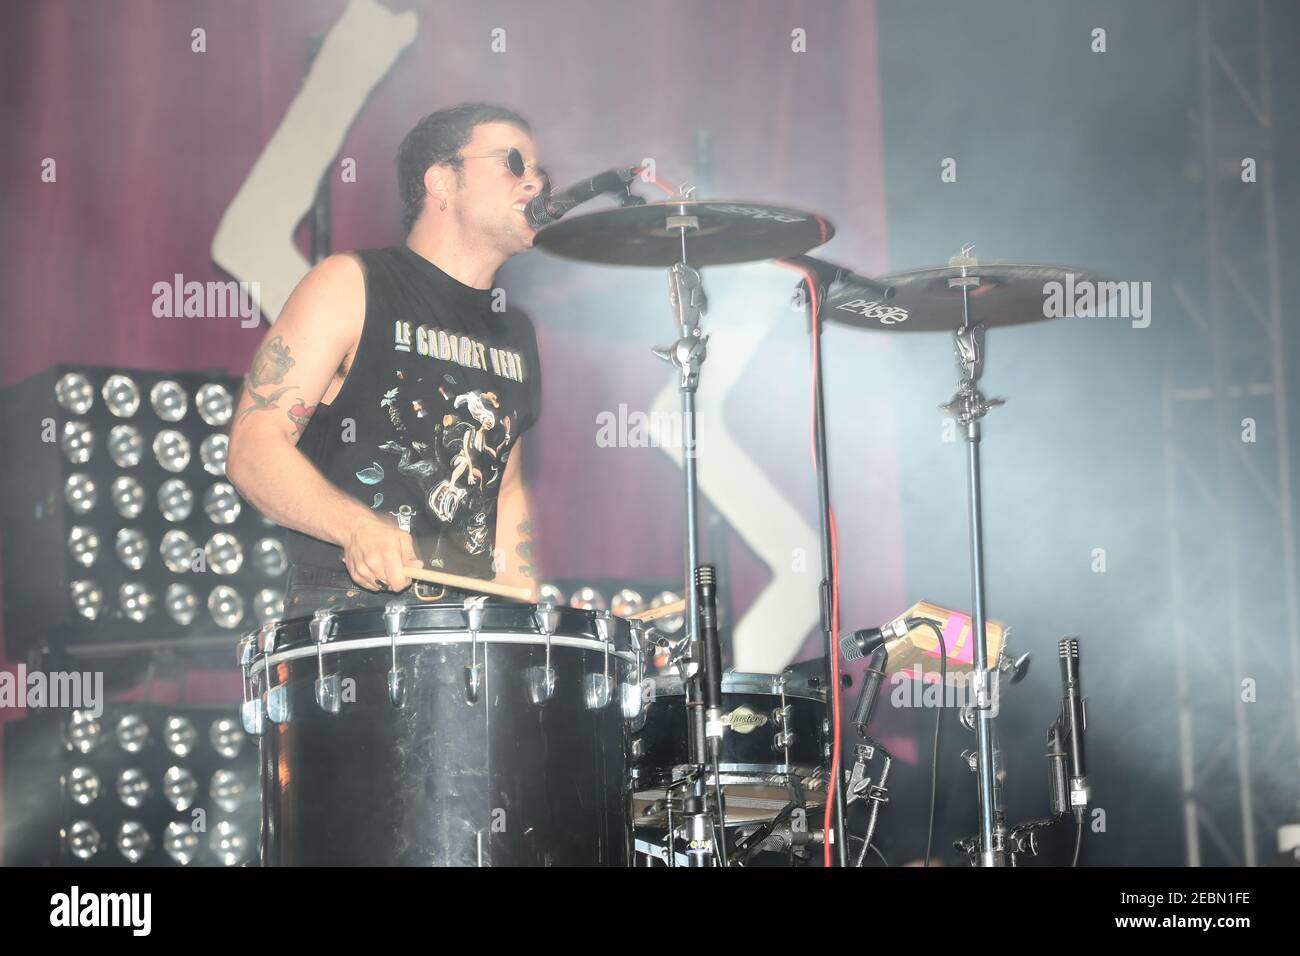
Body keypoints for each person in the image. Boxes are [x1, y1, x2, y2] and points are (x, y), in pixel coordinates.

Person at [227, 103, 546, 616]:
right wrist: (355, 527)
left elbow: (503, 490)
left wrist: (523, 600)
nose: (534, 183)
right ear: (442, 180)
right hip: (350, 622)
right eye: (512, 162)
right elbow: (253, 449)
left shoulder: (517, 333)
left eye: (537, 170)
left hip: (467, 631)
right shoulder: (350, 285)